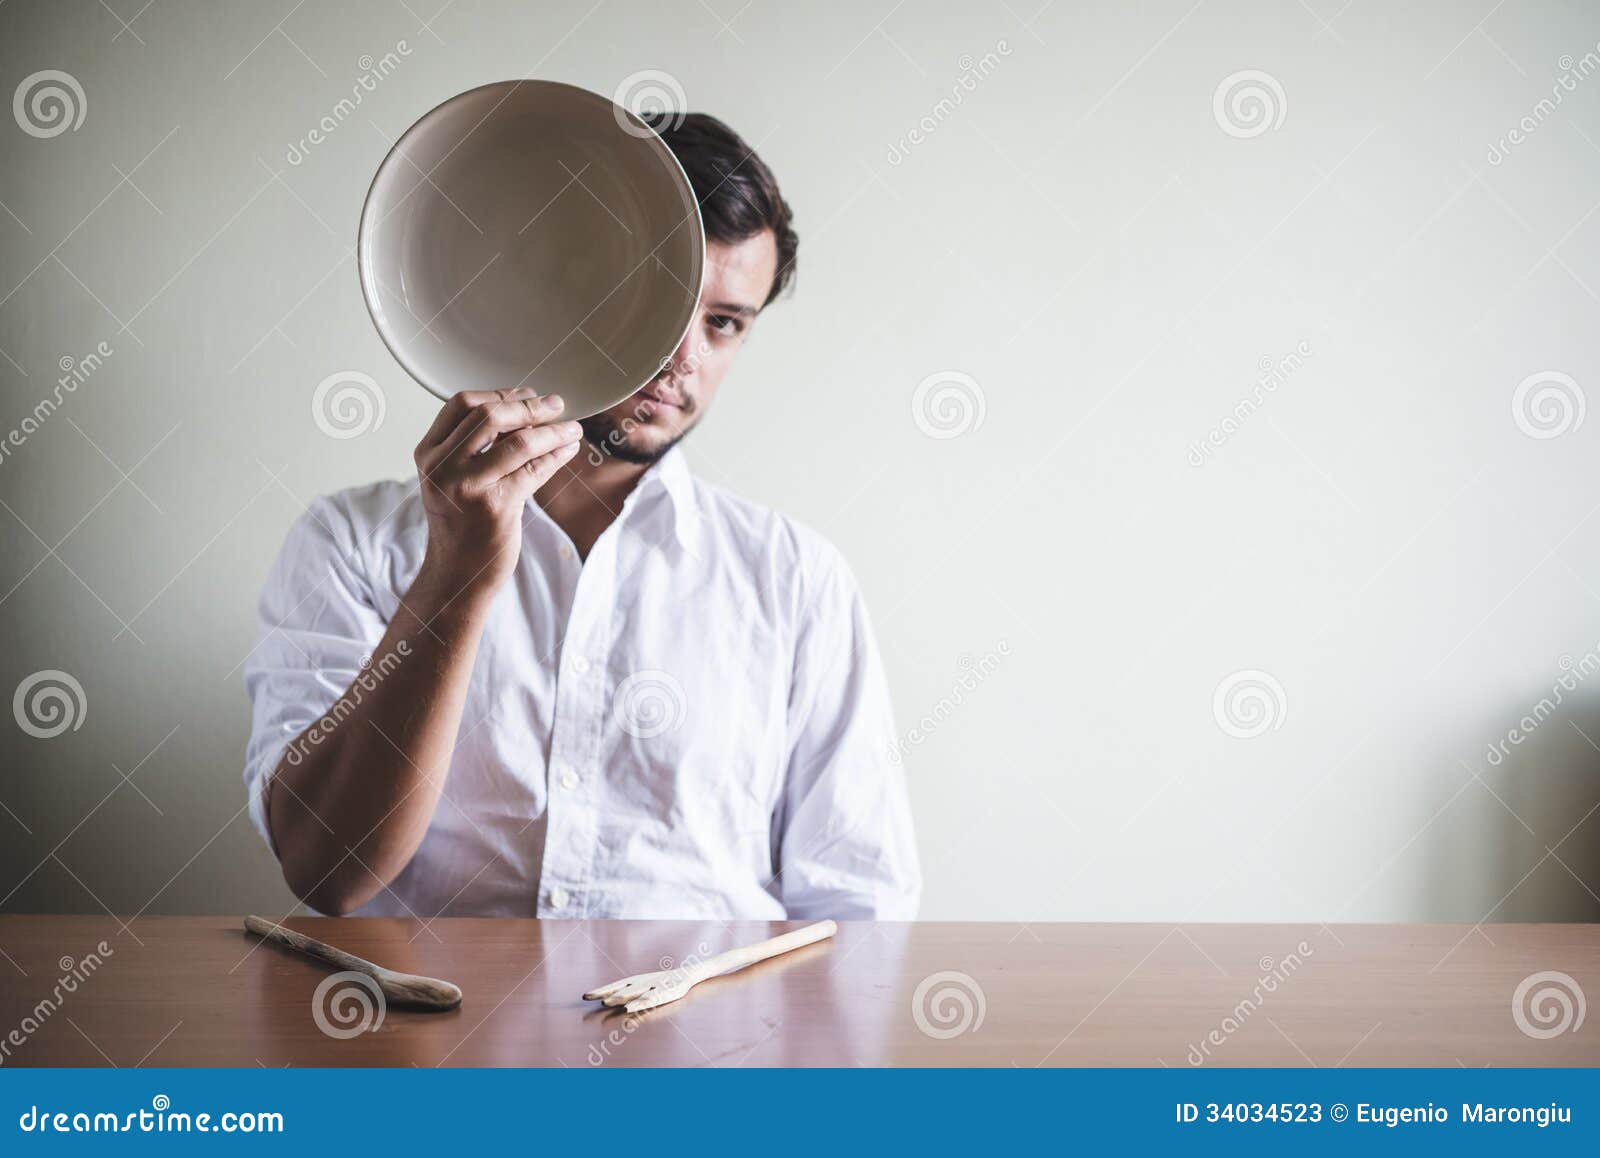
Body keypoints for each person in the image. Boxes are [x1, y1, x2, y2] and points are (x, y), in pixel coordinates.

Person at [242, 111, 919, 920]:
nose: (685, 359)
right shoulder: (352, 545)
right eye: (664, 299)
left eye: (725, 323)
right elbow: (326, 871)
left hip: (715, 1041)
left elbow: (858, 911)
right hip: (433, 1042)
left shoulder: (796, 579)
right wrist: (456, 577)